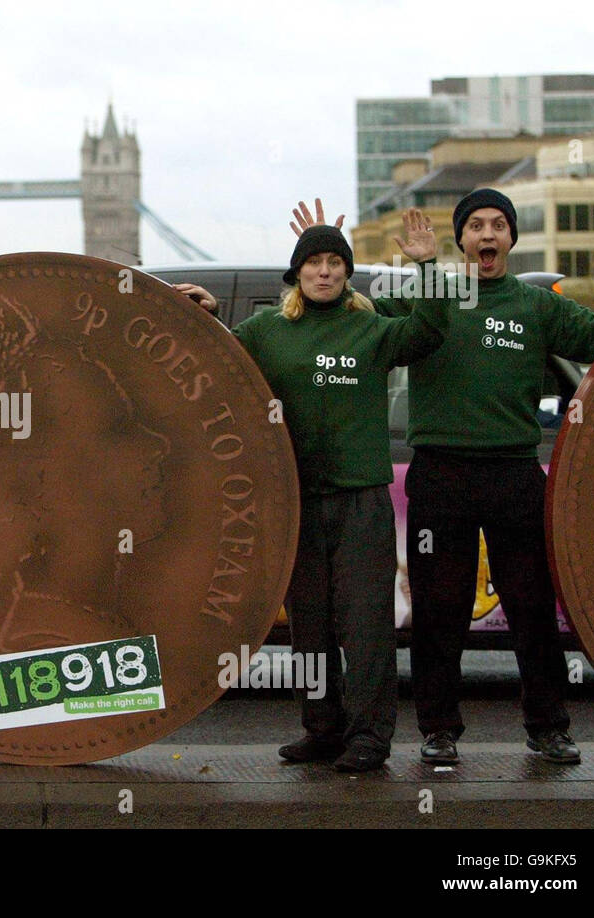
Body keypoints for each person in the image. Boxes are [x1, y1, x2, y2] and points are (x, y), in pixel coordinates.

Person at [297, 191, 594, 765]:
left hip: (514, 474)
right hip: (440, 475)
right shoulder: (426, 295)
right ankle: (439, 729)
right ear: (461, 239)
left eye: (498, 225)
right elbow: (340, 306)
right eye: (475, 225)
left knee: (530, 606)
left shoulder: (537, 307)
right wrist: (325, 246)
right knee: (438, 609)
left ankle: (548, 726)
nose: (487, 235)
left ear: (512, 238)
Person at [179, 208, 448, 772]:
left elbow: (428, 330)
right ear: (296, 274)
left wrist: (426, 266)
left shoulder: (371, 330)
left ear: (346, 274)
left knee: (366, 622)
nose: (324, 272)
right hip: (297, 500)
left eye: (334, 263)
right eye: (314, 263)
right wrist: (203, 314)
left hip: (361, 500)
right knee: (310, 624)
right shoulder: (268, 333)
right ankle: (322, 729)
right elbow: (221, 356)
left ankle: (369, 737)